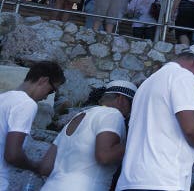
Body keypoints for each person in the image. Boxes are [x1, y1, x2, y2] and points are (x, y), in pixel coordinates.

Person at [116, 45, 194, 191]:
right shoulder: (183, 75)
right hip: (163, 180)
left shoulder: (147, 84)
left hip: (129, 181)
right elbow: (190, 127)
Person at [39, 80, 137, 191]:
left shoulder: (76, 118)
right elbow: (104, 156)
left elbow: (45, 167)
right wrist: (135, 140)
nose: (130, 111)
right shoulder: (112, 114)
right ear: (121, 99)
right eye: (132, 105)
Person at [0, 61, 65, 190]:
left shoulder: (4, 98)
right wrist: (36, 167)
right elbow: (12, 155)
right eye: (51, 91)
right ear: (43, 80)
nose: (47, 97)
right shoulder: (26, 104)